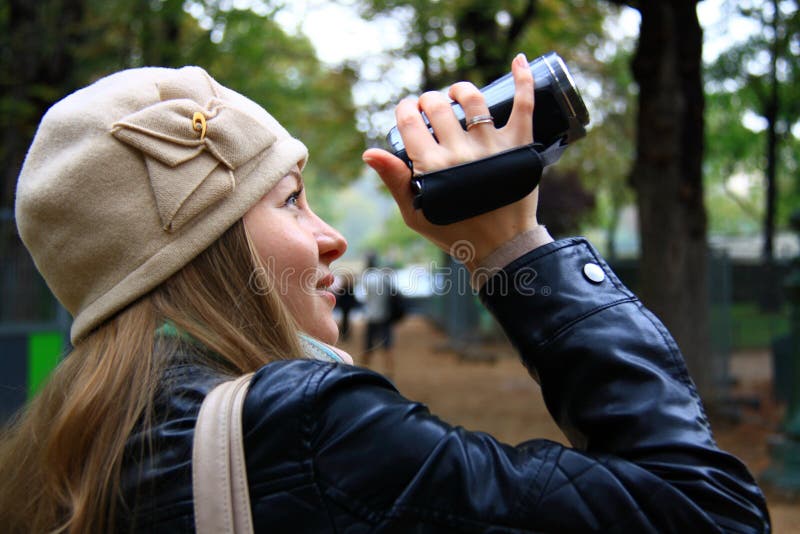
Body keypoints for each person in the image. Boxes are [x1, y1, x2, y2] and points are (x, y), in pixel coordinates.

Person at [0, 54, 770, 533]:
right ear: (205, 248)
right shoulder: (303, 431)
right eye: (292, 200)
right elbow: (709, 514)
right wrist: (510, 250)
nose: (332, 236)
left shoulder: (60, 452)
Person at [361, 251, 397, 375]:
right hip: (384, 316)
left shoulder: (366, 277)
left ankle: (364, 373)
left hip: (371, 316)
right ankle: (389, 373)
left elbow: (365, 298)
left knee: (368, 347)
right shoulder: (382, 276)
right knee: (388, 347)